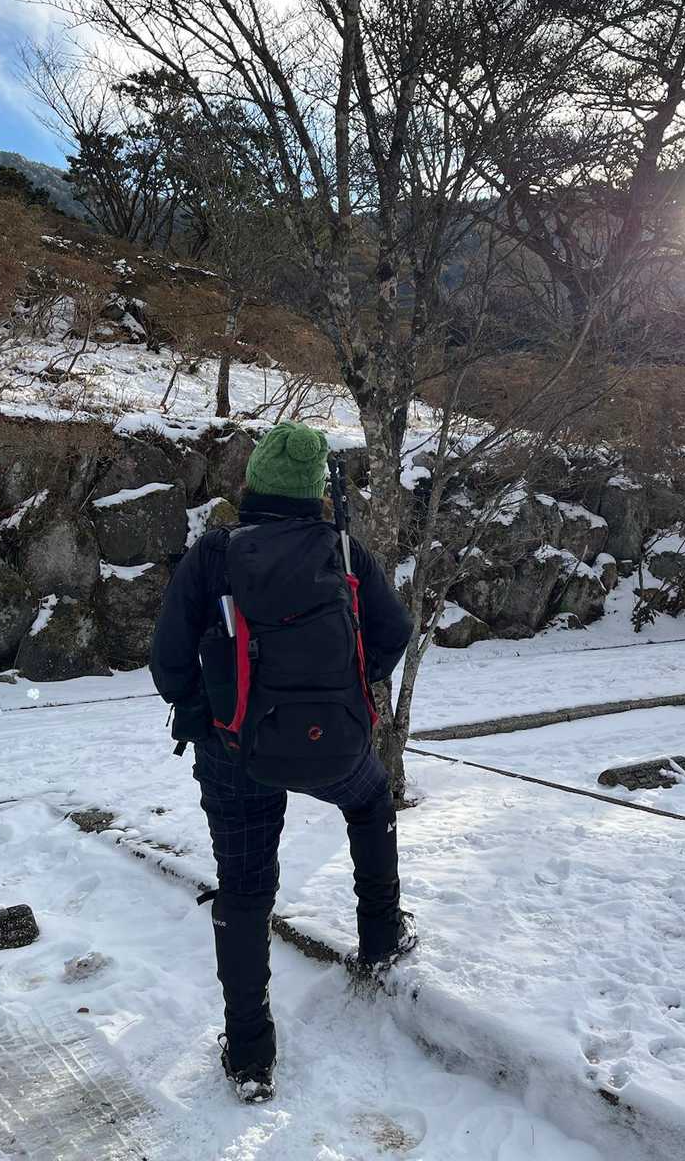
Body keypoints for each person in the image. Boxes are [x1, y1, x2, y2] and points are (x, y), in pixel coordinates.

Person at [150, 422, 416, 1104]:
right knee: (370, 799)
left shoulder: (214, 556)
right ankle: (382, 936)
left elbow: (168, 659)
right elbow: (392, 632)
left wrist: (201, 710)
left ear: (255, 485)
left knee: (245, 888)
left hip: (234, 749)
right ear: (315, 493)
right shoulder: (346, 553)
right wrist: (357, 687)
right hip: (336, 741)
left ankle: (249, 1055)